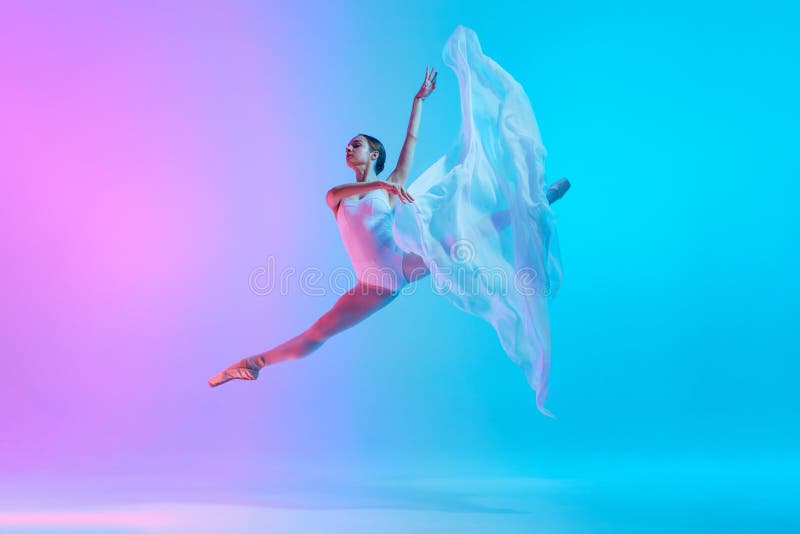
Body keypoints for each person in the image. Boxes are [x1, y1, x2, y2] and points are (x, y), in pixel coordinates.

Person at [209, 26, 569, 417]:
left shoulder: (389, 185)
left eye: (357, 144)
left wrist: (419, 101)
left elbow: (411, 141)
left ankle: (535, 201)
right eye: (348, 145)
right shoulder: (337, 195)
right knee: (319, 332)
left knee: (459, 236)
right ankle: (254, 364)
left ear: (373, 153)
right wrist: (384, 183)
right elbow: (344, 194)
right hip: (372, 284)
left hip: (400, 264)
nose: (349, 147)